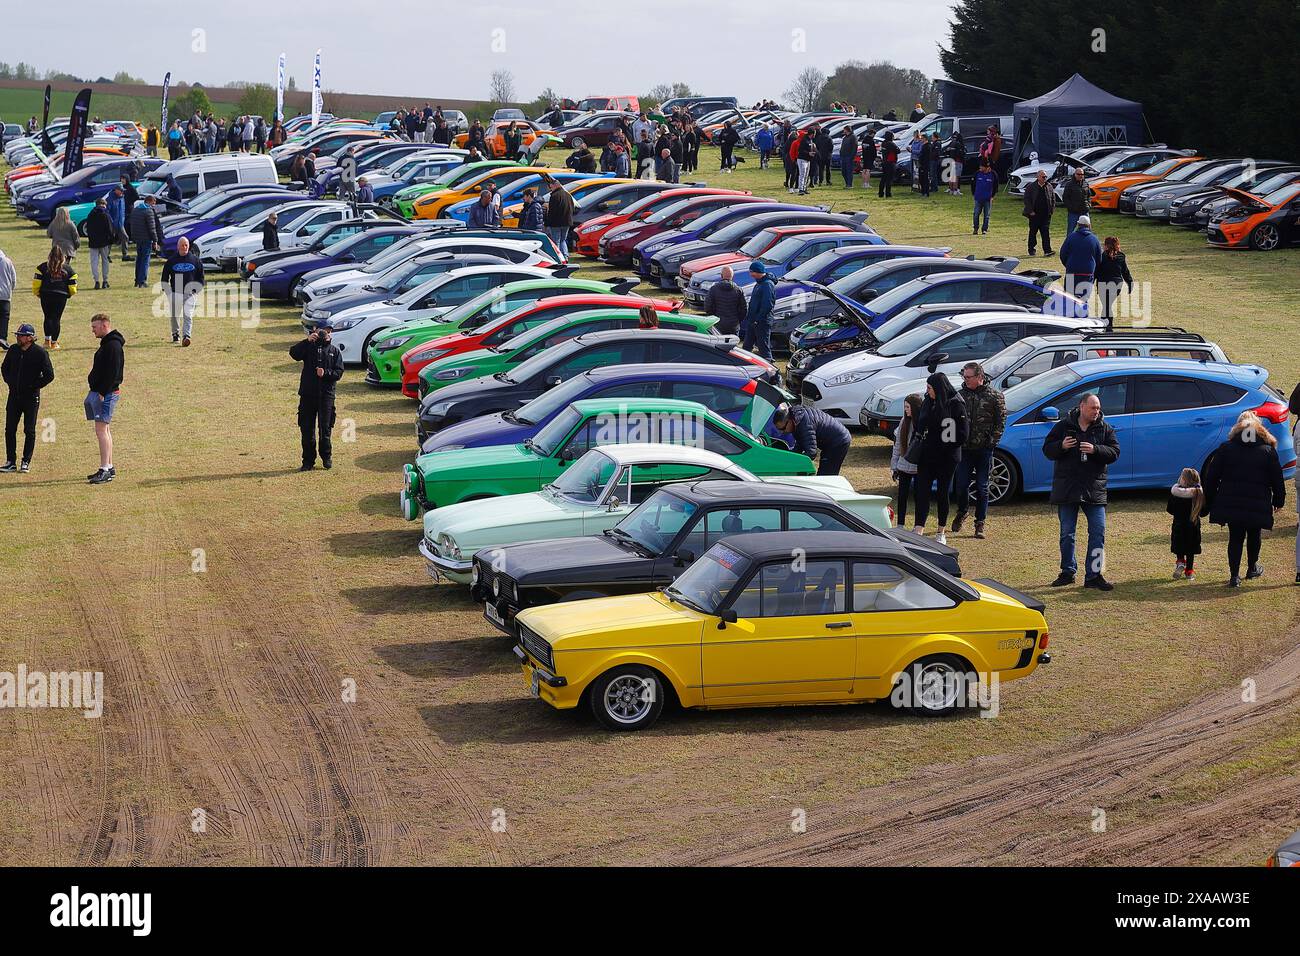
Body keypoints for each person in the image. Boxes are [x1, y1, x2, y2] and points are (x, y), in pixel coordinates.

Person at [1043, 392, 1120, 590]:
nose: (1097, 411)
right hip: (1067, 488)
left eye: (1098, 408)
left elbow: (1114, 452)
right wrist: (1061, 446)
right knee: (1067, 533)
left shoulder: (1105, 428)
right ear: (1082, 407)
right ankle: (1068, 571)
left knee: (1098, 532)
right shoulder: (1063, 426)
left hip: (1094, 489)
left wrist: (1095, 450)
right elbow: (1047, 449)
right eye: (1093, 408)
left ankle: (1094, 576)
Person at [1203, 410, 1286, 587]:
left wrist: (1210, 498)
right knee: (1254, 535)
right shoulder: (1267, 450)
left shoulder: (1226, 448)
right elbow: (1277, 477)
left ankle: (1234, 575)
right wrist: (1279, 499)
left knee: (1235, 537)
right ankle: (1252, 567)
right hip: (1258, 500)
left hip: (1232, 501)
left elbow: (1212, 476)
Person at [950, 362, 1006, 539]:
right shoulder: (959, 396)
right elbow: (952, 420)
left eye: (968, 377)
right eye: (964, 377)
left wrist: (991, 442)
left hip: (984, 449)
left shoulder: (994, 397)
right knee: (961, 485)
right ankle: (962, 511)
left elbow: (1000, 422)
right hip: (964, 449)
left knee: (982, 487)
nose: (965, 380)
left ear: (979, 377)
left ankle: (980, 523)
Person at [912, 372, 968, 544]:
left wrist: (941, 446)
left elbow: (960, 435)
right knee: (921, 491)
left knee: (942, 492)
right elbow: (920, 424)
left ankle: (941, 530)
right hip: (927, 453)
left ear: (938, 388)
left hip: (947, 456)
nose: (927, 391)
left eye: (930, 388)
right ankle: (918, 527)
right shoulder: (928, 401)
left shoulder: (955, 404)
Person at [0, 323, 54, 473]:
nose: (18, 337)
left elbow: (49, 375)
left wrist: (33, 386)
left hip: (31, 398)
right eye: (17, 335)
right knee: (10, 429)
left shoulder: (40, 353)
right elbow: (4, 368)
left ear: (30, 338)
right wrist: (10, 381)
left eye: (21, 335)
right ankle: (11, 461)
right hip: (14, 397)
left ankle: (26, 461)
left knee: (29, 430)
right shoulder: (13, 350)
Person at [290, 322, 344, 471]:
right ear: (315, 331)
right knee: (307, 430)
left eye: (328, 331)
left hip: (326, 397)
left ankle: (326, 457)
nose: (325, 334)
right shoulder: (308, 347)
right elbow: (294, 353)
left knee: (325, 430)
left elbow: (339, 372)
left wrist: (325, 373)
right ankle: (308, 461)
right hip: (307, 395)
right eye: (323, 331)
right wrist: (307, 341)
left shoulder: (334, 351)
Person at [85, 313, 124, 484]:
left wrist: (102, 391)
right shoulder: (109, 344)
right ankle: (108, 465)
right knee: (105, 430)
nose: (92, 331)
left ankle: (105, 469)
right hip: (105, 392)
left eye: (94, 327)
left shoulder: (113, 346)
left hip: (106, 394)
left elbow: (114, 373)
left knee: (101, 431)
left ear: (104, 325)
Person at [773, 403, 852, 476]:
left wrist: (795, 464)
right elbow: (800, 445)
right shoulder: (797, 419)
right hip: (832, 441)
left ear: (789, 420)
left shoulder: (805, 424)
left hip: (839, 441)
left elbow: (811, 453)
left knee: (826, 475)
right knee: (824, 472)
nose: (783, 432)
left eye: (783, 428)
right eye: (779, 429)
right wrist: (788, 458)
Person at [161, 236, 204, 346]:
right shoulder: (171, 261)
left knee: (188, 315)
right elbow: (165, 277)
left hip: (190, 293)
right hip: (176, 292)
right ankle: (175, 334)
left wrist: (196, 291)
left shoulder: (196, 261)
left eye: (186, 245)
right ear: (178, 246)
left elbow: (201, 278)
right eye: (182, 245)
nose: (184, 247)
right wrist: (168, 292)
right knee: (175, 315)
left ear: (188, 246)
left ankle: (186, 336)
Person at [890, 394, 924, 527]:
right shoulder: (904, 421)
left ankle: (918, 526)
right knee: (902, 496)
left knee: (919, 497)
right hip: (904, 464)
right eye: (904, 407)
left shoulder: (921, 422)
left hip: (918, 465)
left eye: (908, 407)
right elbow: (898, 445)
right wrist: (894, 466)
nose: (906, 410)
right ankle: (900, 525)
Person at [33, 246, 76, 349]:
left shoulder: (42, 268)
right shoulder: (68, 269)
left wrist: (37, 293)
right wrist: (70, 294)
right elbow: (73, 287)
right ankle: (54, 343)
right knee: (57, 319)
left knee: (47, 317)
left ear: (49, 256)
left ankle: (47, 341)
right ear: (63, 257)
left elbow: (36, 283)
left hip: (45, 295)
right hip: (61, 296)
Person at [1167, 467, 1205, 580]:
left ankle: (1180, 563)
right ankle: (1189, 571)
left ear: (1183, 480)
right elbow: (1203, 511)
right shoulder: (1198, 494)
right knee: (1190, 550)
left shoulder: (1176, 494)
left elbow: (1170, 509)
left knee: (1179, 547)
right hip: (1193, 526)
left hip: (1179, 525)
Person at [1059, 214, 1102, 303]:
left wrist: (1068, 265)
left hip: (1072, 271)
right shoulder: (1094, 239)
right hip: (1087, 272)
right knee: (1084, 299)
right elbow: (1099, 259)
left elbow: (1063, 254)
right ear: (1089, 225)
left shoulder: (1071, 237)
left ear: (1078, 225)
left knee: (1069, 297)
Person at [1095, 236, 1134, 329]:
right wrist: (1130, 282)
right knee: (1107, 305)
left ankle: (1107, 326)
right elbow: (1125, 271)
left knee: (1106, 305)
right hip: (1116, 284)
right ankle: (1106, 326)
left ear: (1105, 245)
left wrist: (1091, 281)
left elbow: (1096, 271)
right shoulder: (1121, 256)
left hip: (1102, 284)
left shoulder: (1101, 256)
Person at [743, 260, 777, 360]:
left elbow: (768, 305)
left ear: (757, 272)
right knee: (746, 346)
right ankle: (743, 363)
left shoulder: (767, 284)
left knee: (763, 346)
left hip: (762, 322)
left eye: (752, 272)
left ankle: (770, 367)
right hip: (753, 321)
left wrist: (758, 319)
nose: (750, 274)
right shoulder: (759, 283)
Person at [702, 265, 746, 336]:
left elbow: (708, 307)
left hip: (717, 324)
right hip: (733, 325)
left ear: (721, 276)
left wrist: (713, 317)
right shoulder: (738, 290)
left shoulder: (713, 289)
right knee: (733, 345)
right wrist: (737, 320)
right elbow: (743, 309)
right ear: (732, 276)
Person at [128, 196, 162, 287]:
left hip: (138, 238)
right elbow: (152, 228)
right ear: (150, 202)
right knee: (145, 260)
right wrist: (155, 240)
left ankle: (137, 280)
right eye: (153, 203)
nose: (154, 205)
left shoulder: (135, 210)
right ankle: (142, 281)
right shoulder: (148, 211)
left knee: (139, 259)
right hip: (146, 239)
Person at [1023, 169, 1056, 257]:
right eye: (1043, 176)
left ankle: (1047, 250)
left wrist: (1051, 210)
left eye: (1046, 176)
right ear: (1038, 177)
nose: (1045, 178)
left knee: (1045, 233)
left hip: (1046, 215)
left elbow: (1053, 198)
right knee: (1033, 233)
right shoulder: (1031, 187)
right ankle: (1031, 250)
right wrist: (1030, 211)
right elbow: (1027, 199)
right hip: (1034, 215)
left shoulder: (1049, 186)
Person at [85, 197, 116, 290]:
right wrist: (112, 239)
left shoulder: (91, 214)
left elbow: (88, 228)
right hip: (104, 242)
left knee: (94, 262)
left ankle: (96, 281)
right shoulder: (105, 214)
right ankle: (105, 281)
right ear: (103, 204)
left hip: (93, 242)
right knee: (105, 261)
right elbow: (110, 228)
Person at [543, 178, 574, 263]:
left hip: (556, 222)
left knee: (556, 241)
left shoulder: (554, 196)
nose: (550, 188)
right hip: (567, 221)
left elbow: (552, 211)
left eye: (551, 186)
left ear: (555, 185)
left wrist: (547, 222)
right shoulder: (568, 195)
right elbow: (572, 207)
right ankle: (565, 256)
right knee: (563, 240)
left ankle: (558, 258)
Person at [972, 158, 997, 235]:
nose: (980, 168)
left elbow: (996, 186)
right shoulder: (977, 174)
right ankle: (975, 228)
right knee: (976, 214)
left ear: (986, 167)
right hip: (978, 198)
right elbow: (972, 184)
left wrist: (992, 196)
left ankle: (984, 229)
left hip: (987, 199)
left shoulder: (993, 174)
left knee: (987, 215)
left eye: (981, 167)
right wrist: (974, 194)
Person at [1062, 166, 1091, 235]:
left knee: (1088, 231)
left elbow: (1089, 196)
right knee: (1070, 231)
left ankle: (1087, 245)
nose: (1080, 176)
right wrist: (1071, 208)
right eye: (1078, 174)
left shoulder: (1086, 184)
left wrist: (1089, 205)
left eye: (1082, 174)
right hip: (1073, 212)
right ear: (1075, 174)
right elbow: (1065, 198)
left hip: (1084, 211)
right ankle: (1069, 245)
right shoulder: (1069, 184)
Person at [105, 185, 128, 263]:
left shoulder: (122, 198)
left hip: (120, 223)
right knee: (110, 240)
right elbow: (107, 212)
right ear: (116, 190)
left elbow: (123, 210)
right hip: (112, 224)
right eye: (121, 191)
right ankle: (106, 256)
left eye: (122, 191)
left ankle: (125, 255)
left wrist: (123, 219)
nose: (122, 192)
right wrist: (111, 222)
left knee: (125, 237)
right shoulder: (110, 199)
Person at [0, 246, 16, 343]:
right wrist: (10, 290)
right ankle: (2, 338)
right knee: (4, 317)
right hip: (5, 295)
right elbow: (13, 279)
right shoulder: (7, 262)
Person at [878, 131, 897, 198]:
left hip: (884, 162)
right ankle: (888, 193)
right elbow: (898, 150)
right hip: (890, 162)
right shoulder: (891, 144)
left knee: (883, 178)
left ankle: (880, 193)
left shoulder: (883, 143)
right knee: (889, 179)